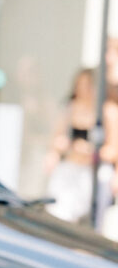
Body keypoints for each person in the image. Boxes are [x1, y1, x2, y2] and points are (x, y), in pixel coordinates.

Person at [44, 67, 118, 225]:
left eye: (88, 85)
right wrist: (60, 149)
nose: (83, 89)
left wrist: (91, 152)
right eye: (80, 85)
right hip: (70, 168)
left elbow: (113, 149)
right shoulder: (70, 108)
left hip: (92, 172)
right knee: (58, 213)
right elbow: (57, 137)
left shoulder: (107, 112)